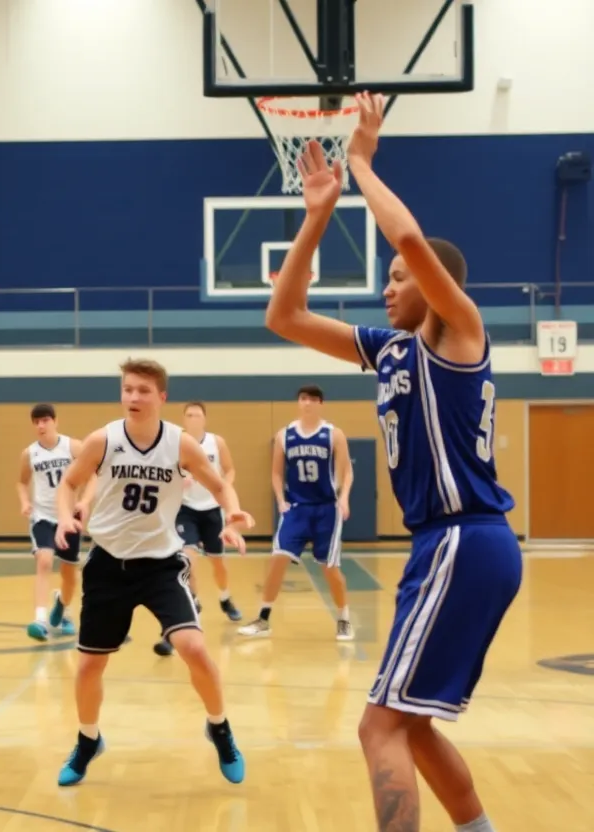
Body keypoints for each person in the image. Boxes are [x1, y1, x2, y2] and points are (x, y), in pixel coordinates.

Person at [264, 93, 519, 832]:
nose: (388, 286)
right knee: (410, 725)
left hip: (464, 539)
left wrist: (364, 164)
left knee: (377, 727)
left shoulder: (460, 331)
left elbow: (408, 239)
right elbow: (285, 317)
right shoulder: (391, 348)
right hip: (447, 546)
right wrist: (315, 217)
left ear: (435, 286)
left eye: (400, 280)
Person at [52, 359, 253, 788]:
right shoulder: (103, 440)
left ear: (161, 397)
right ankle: (88, 741)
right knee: (88, 667)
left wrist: (232, 516)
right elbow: (68, 484)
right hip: (107, 564)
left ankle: (219, 728)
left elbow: (219, 487)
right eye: (127, 389)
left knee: (194, 649)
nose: (133, 397)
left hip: (161, 564)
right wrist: (64, 518)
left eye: (143, 390)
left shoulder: (180, 444)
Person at [238, 385, 354, 641]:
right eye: (303, 399)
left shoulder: (334, 434)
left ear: (321, 404)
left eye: (313, 399)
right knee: (277, 558)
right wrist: (280, 500)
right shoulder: (284, 435)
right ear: (298, 403)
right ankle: (263, 618)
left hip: (326, 508)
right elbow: (277, 473)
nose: (308, 403)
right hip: (297, 508)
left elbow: (346, 472)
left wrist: (343, 499)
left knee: (330, 569)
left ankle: (344, 618)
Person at [154, 401, 240, 656]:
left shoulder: (216, 442)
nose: (193, 418)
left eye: (197, 415)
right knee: (187, 560)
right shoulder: (176, 443)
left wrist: (224, 484)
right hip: (186, 509)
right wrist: (181, 479)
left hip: (212, 509)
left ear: (204, 419)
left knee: (218, 564)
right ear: (184, 419)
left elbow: (230, 469)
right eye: (189, 415)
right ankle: (192, 602)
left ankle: (225, 599)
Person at [16, 403, 93, 641]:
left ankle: (62, 607)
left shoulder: (74, 447)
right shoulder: (29, 453)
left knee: (70, 575)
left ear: (55, 421)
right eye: (37, 422)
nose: (41, 425)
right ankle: (39, 619)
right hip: (43, 517)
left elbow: (94, 475)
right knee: (44, 560)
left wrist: (86, 502)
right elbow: (21, 482)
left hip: (68, 518)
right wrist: (24, 501)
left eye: (45, 420)